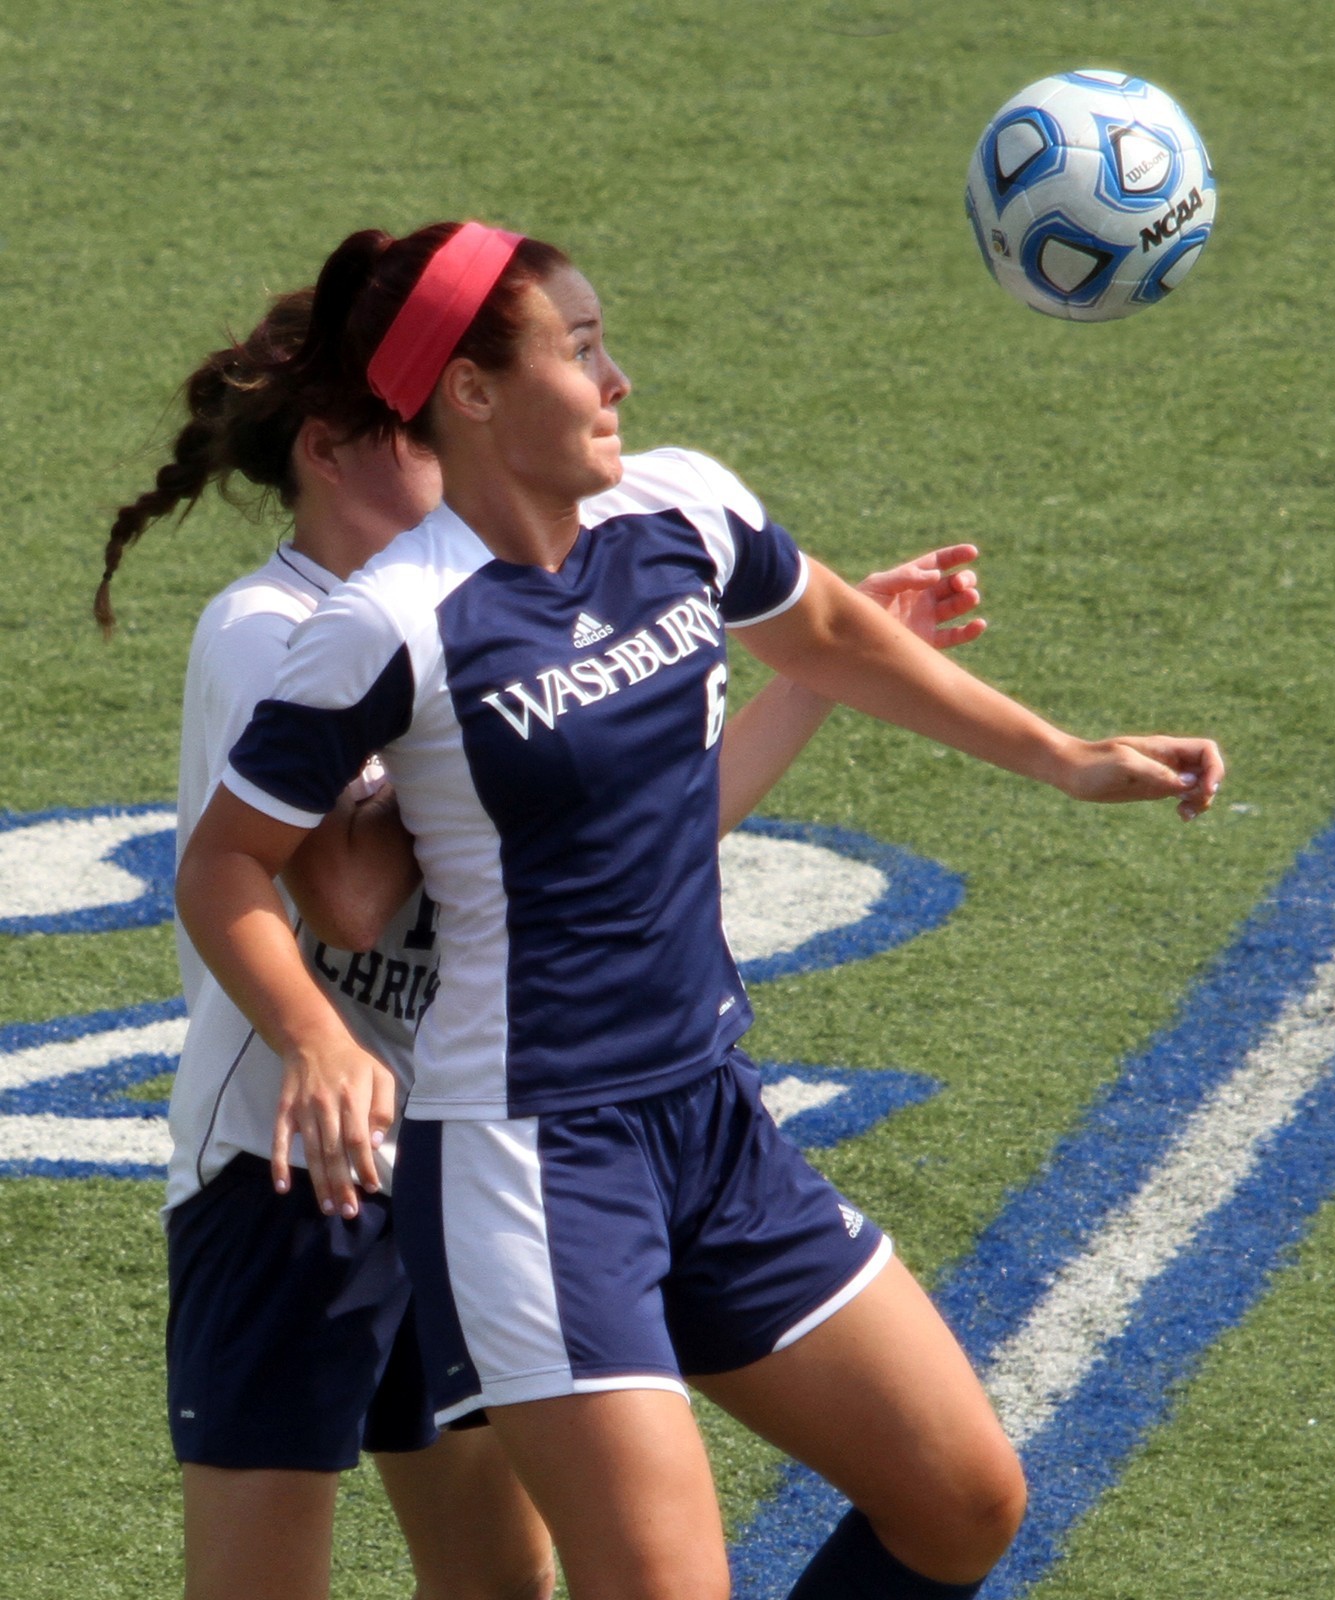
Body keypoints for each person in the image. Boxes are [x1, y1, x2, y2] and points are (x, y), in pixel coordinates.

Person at [174, 220, 1224, 1600]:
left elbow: (834, 635)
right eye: (585, 348)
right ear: (474, 393)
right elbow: (225, 867)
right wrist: (311, 1037)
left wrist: (1062, 753)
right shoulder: (387, 623)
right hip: (534, 1155)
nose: (620, 383)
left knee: (963, 1500)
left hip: (712, 1118)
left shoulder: (681, 509)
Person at [96, 280, 986, 1600]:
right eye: (417, 429)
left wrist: (809, 670)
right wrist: (491, 736)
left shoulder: (477, 614)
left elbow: (650, 830)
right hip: (286, 1180)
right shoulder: (273, 630)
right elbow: (343, 898)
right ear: (330, 450)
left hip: (471, 1151)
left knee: (500, 1583)